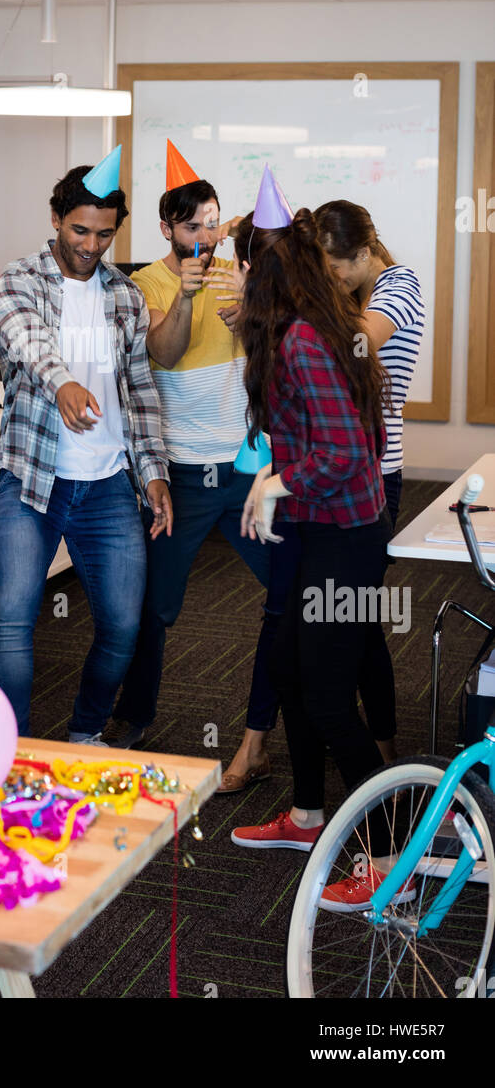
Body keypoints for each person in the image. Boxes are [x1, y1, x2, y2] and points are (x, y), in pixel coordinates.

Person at [229, 182, 394, 902]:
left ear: (263, 275)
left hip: (347, 537)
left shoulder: (303, 341)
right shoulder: (298, 333)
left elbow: (348, 457)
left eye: (240, 267)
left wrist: (277, 485)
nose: (231, 279)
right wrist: (272, 474)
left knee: (328, 699)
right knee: (293, 673)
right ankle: (307, 815)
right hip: (320, 526)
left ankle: (391, 857)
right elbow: (317, 439)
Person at [0, 152, 172, 742]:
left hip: (108, 484)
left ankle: (84, 734)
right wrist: (61, 380)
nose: (92, 245)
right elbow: (28, 336)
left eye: (105, 233)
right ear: (55, 218)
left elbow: (139, 390)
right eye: (79, 230)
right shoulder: (18, 279)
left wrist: (154, 473)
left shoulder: (125, 295)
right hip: (33, 479)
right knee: (14, 622)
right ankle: (10, 752)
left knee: (123, 626)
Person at [105, 142, 272, 750]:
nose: (205, 234)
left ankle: (300, 716)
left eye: (211, 221)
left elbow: (270, 362)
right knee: (154, 607)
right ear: (166, 229)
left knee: (289, 587)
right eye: (192, 224)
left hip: (247, 467)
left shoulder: (238, 275)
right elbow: (163, 352)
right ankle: (134, 715)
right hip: (179, 471)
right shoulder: (144, 282)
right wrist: (189, 295)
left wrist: (251, 321)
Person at [314, 200, 424, 533]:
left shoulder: (400, 284)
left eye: (333, 268)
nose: (330, 279)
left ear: (363, 253)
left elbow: (356, 347)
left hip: (376, 467)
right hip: (336, 460)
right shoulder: (351, 296)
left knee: (359, 580)